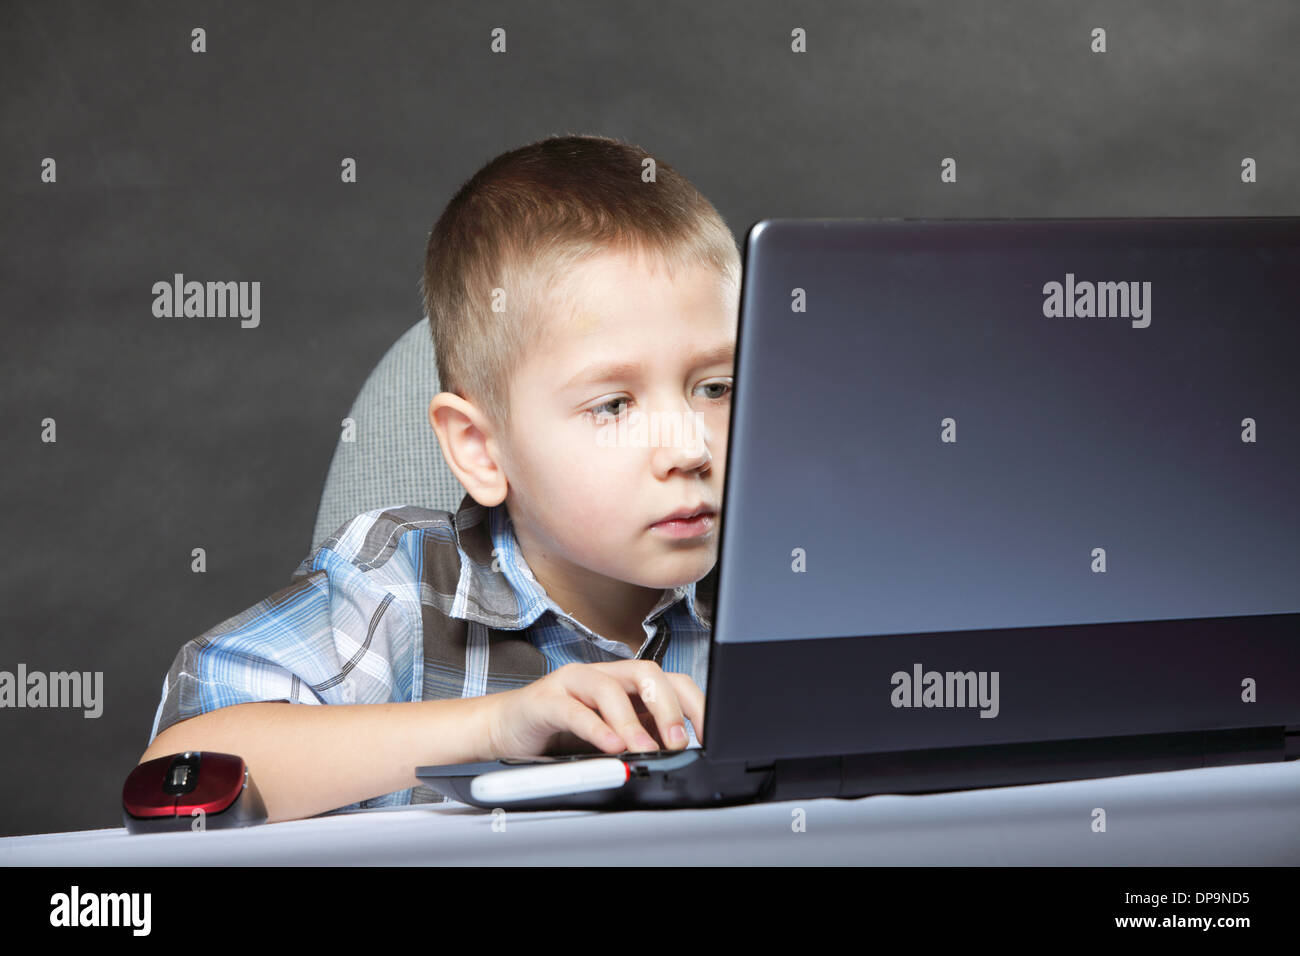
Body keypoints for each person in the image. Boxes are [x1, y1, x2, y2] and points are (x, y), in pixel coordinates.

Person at [137, 133, 742, 823]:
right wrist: (489, 729)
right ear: (482, 450)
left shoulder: (785, 580)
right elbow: (178, 774)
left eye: (716, 387)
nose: (689, 446)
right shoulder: (397, 585)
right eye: (612, 405)